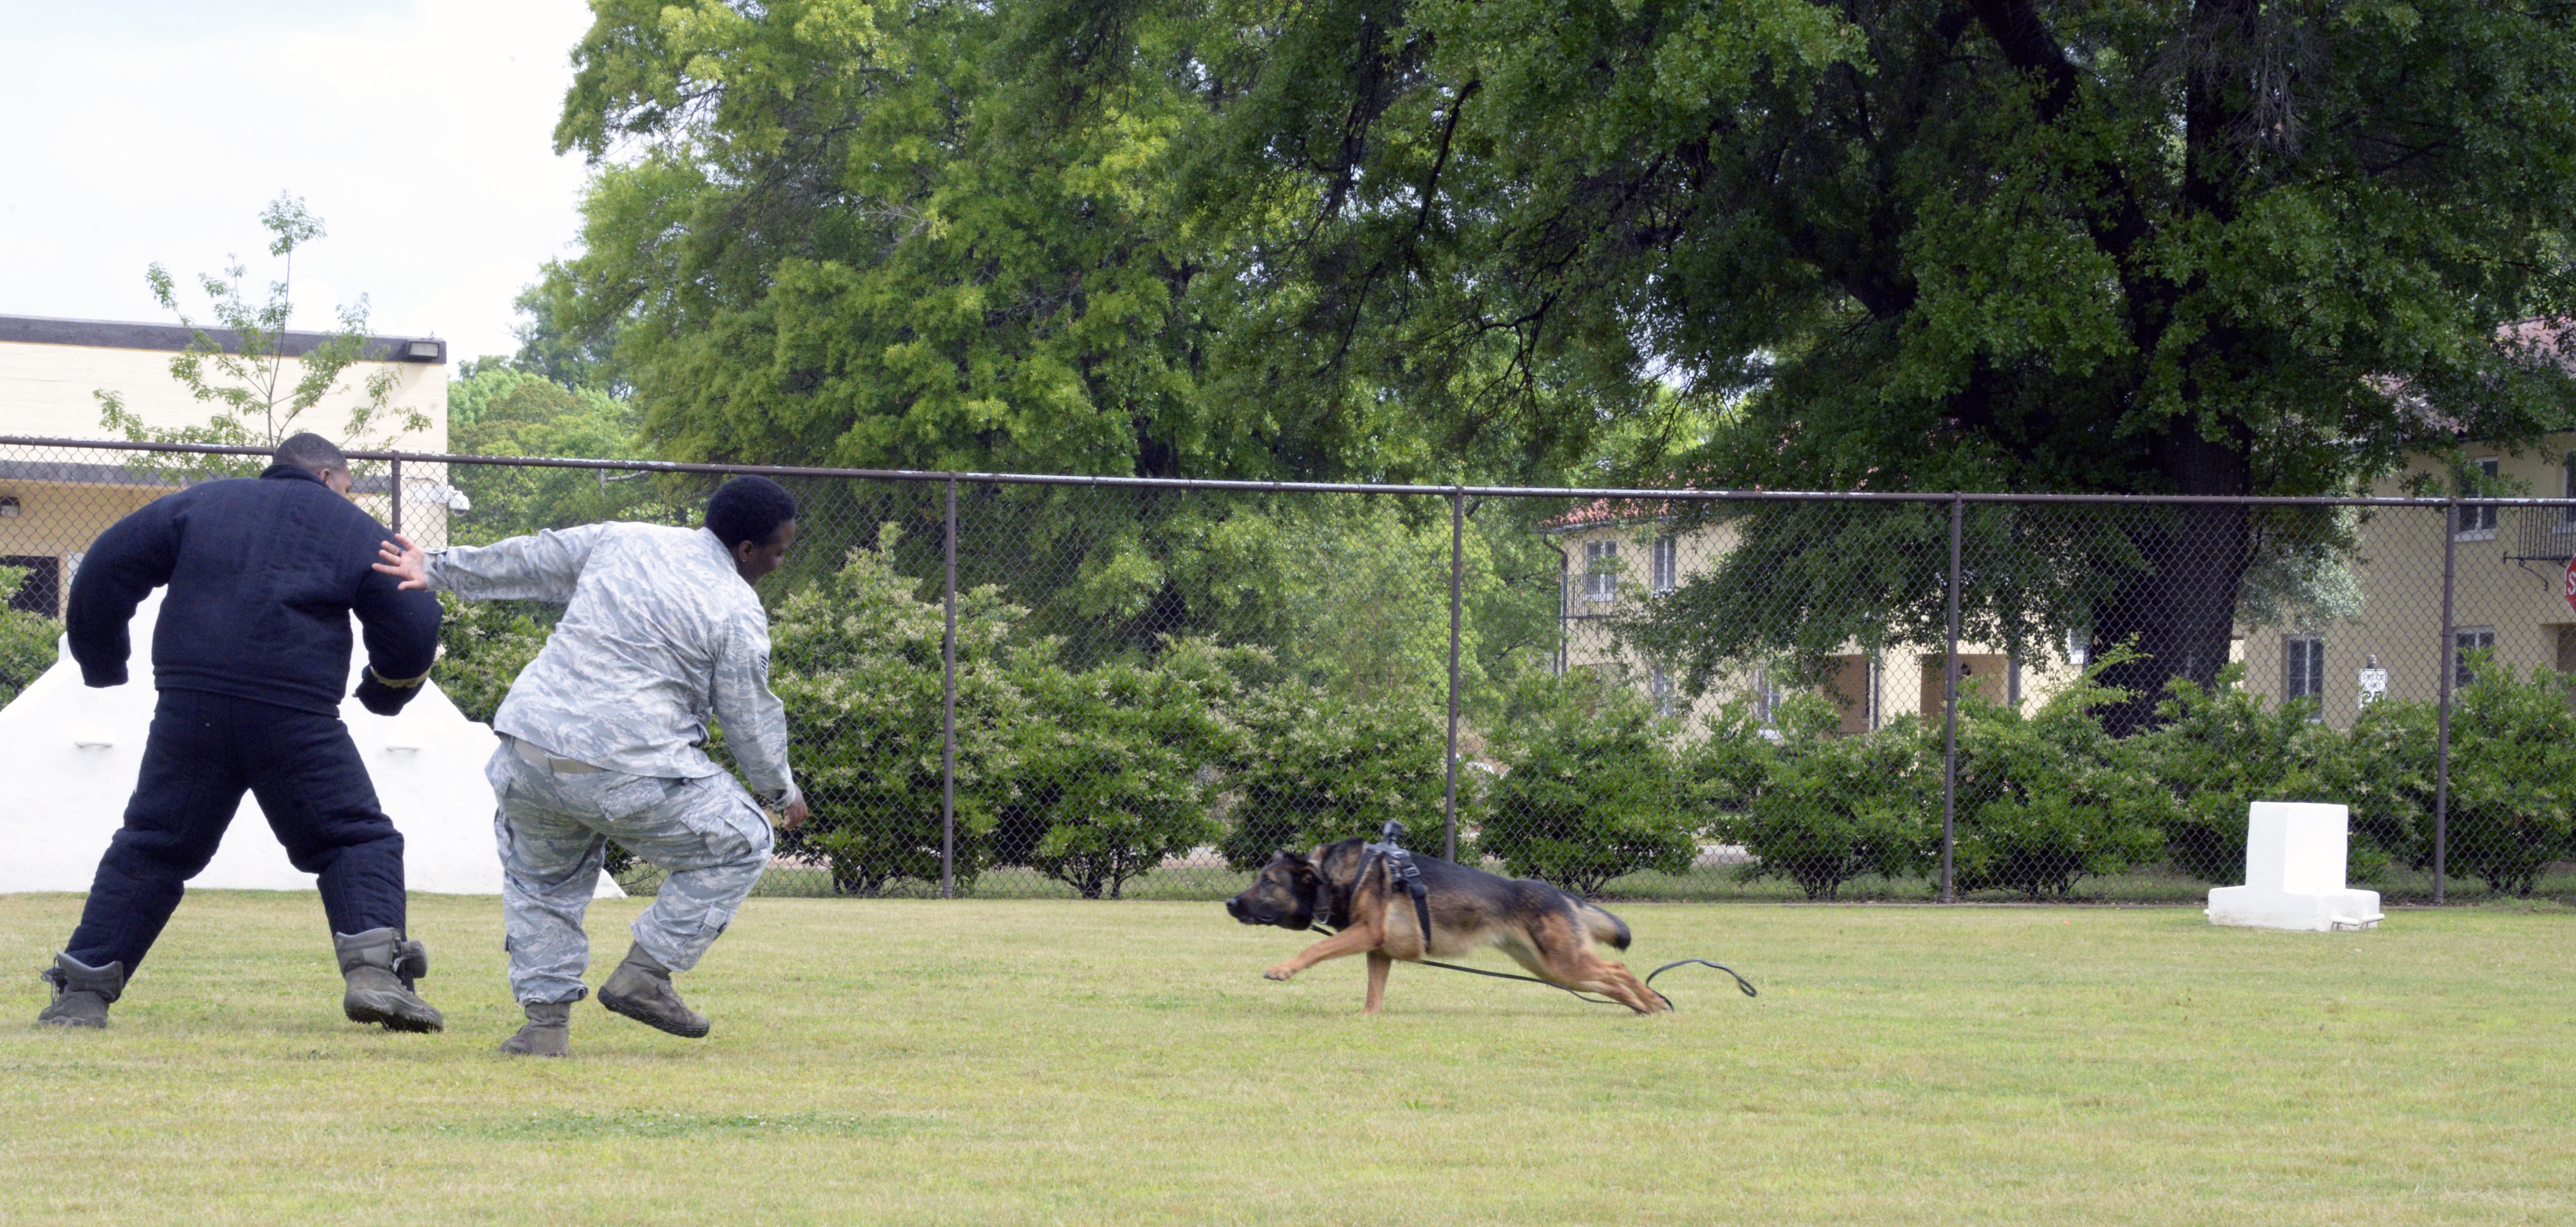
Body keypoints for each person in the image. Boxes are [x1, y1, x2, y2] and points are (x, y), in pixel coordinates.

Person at [372, 475, 808, 1057]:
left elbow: (533, 556)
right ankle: (646, 973)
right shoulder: (736, 606)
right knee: (744, 838)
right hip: (625, 766)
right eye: (778, 551)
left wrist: (440, 567)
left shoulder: (623, 539)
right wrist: (780, 790)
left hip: (529, 749)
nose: (778, 564)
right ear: (747, 550)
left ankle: (544, 1027)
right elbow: (748, 714)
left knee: (544, 880)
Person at [38, 433, 445, 1031]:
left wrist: (103, 662)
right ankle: (376, 975)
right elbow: (413, 618)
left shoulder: (200, 503)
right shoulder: (357, 529)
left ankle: (81, 991)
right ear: (331, 477)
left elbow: (105, 565)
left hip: (190, 705)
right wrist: (385, 691)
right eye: (350, 484)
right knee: (354, 838)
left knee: (154, 844)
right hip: (297, 714)